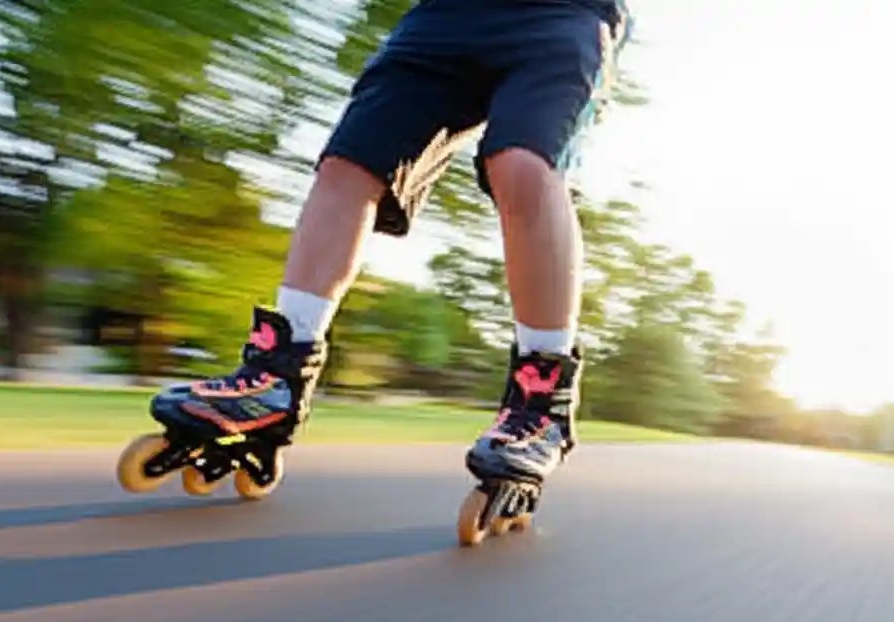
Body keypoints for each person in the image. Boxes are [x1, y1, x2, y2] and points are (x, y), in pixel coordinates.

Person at [148, 0, 632, 499]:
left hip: (567, 13)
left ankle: (541, 402)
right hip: (444, 15)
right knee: (350, 163)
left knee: (522, 166)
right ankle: (278, 373)